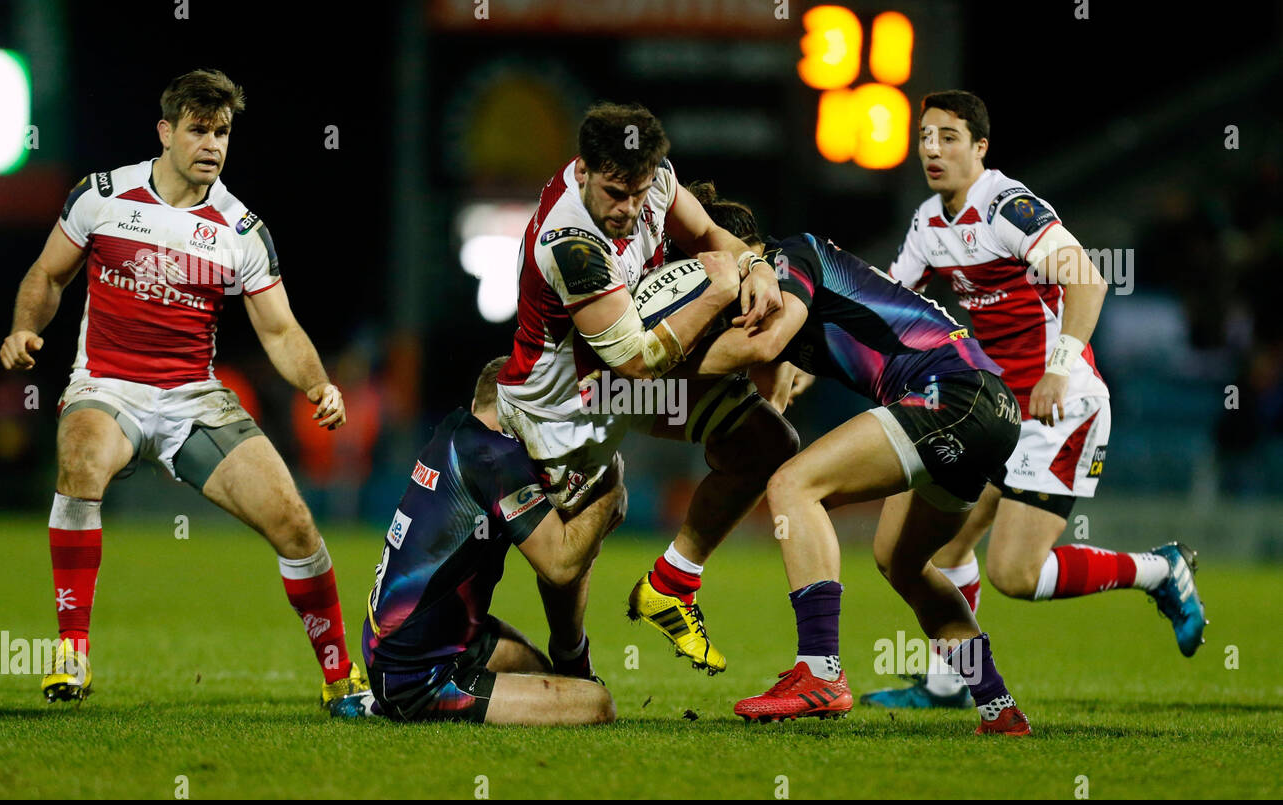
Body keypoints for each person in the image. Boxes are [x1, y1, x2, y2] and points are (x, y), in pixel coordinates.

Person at [0, 69, 367, 711]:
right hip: (108, 388)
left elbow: (279, 330)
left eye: (222, 132)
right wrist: (25, 329)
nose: (212, 144)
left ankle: (341, 678)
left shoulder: (240, 229)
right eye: (199, 129)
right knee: (80, 458)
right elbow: (48, 275)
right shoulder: (103, 196)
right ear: (166, 132)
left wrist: (319, 384)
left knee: (296, 524)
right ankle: (71, 653)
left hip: (194, 398)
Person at [867, 90, 1206, 708]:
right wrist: (816, 358)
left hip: (1061, 408)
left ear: (980, 147)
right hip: (998, 411)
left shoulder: (1009, 208)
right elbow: (892, 303)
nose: (933, 149)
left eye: (948, 137)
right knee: (941, 545)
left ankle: (1161, 570)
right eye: (924, 137)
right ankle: (951, 683)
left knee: (1015, 575)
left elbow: (1088, 279)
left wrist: (1059, 367)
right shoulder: (928, 222)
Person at [684, 183, 1031, 735]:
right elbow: (771, 403)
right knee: (902, 562)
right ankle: (999, 709)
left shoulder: (785, 258)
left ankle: (820, 671)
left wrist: (648, 359)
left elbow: (766, 345)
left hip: (952, 394)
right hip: (991, 409)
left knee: (794, 487)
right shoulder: (795, 285)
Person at [497, 102, 799, 676]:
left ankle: (672, 582)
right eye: (615, 193)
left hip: (629, 382)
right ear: (583, 170)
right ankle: (569, 657)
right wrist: (717, 289)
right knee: (568, 560)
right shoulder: (571, 244)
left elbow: (712, 233)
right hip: (568, 402)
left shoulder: (653, 179)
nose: (629, 210)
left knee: (769, 442)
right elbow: (635, 362)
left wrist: (756, 266)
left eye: (637, 194)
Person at [355, 357, 622, 725]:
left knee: (545, 674)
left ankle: (380, 695)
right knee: (595, 704)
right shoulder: (495, 457)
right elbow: (559, 567)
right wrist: (609, 488)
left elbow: (563, 556)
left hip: (412, 643)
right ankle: (392, 702)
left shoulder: (455, 431)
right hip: (422, 676)